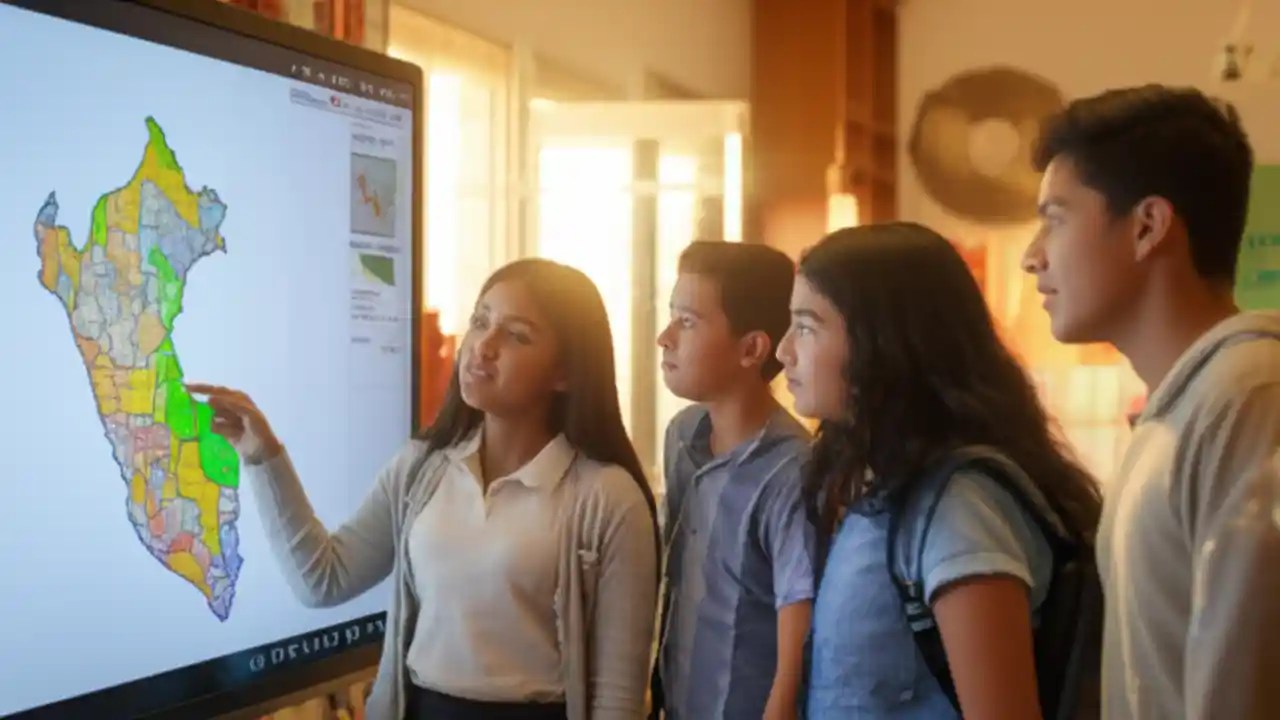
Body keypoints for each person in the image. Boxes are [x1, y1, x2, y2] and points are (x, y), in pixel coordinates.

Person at [190, 258, 660, 720]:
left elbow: (617, 700)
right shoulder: (421, 467)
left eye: (516, 335)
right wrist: (262, 456)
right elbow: (323, 580)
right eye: (481, 321)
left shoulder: (607, 498)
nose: (484, 346)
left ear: (567, 373)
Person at [1023, 84, 1280, 719]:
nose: (1033, 256)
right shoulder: (1184, 404)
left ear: (1147, 226)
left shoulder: (1247, 396)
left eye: (1055, 218)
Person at [779, 223, 1102, 719]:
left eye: (807, 326)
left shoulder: (959, 507)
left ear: (883, 341)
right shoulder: (881, 486)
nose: (785, 352)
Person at [653, 241, 813, 720]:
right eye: (670, 316)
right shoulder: (682, 436)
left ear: (752, 348)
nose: (664, 337)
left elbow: (799, 631)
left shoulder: (792, 471)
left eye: (687, 322)